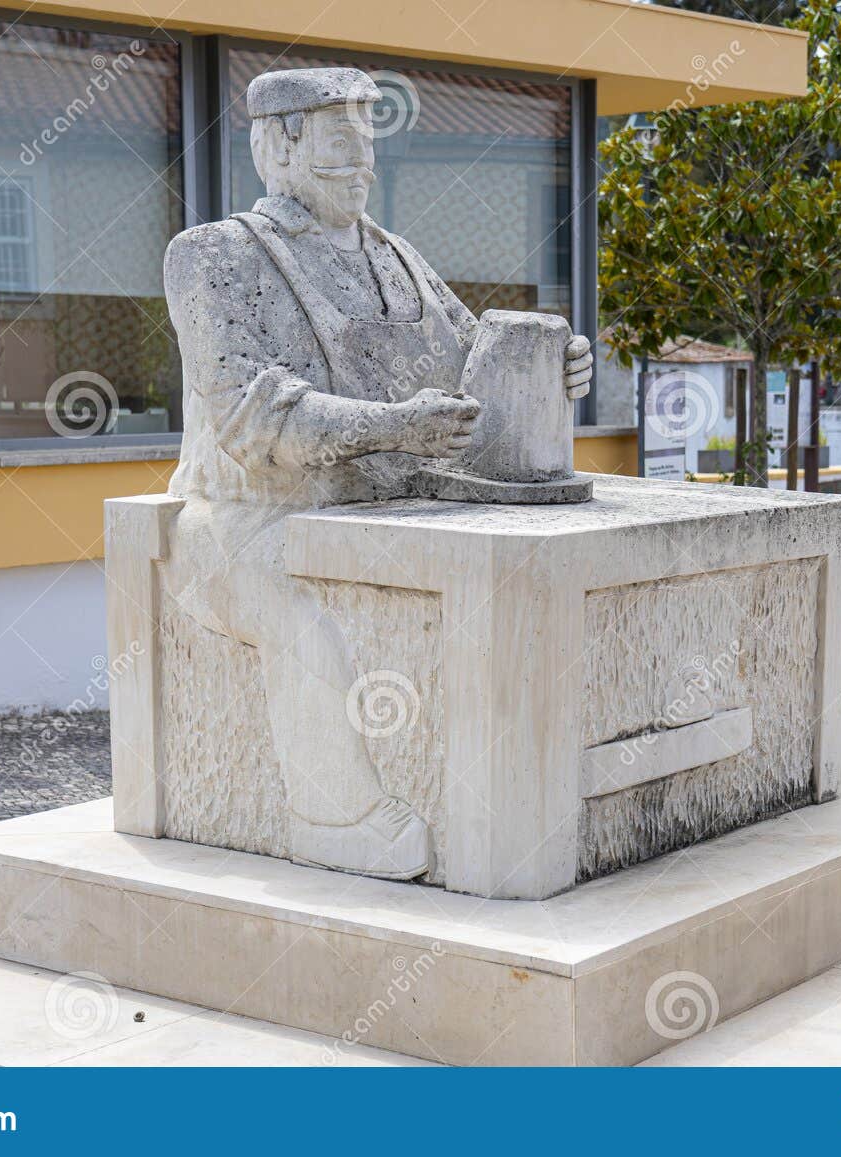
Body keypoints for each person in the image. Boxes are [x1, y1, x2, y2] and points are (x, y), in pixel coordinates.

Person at [160, 67, 592, 880]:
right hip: (248, 523)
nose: (359, 168)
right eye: (336, 148)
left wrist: (551, 365)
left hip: (399, 507)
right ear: (275, 146)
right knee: (305, 612)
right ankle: (334, 812)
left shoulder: (396, 256)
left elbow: (474, 359)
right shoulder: (214, 257)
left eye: (367, 149)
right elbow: (255, 420)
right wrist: (392, 426)